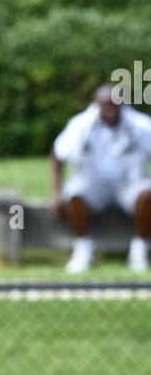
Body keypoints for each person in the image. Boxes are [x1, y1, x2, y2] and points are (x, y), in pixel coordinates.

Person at [52, 84, 151, 273]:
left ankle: (139, 250)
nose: (110, 109)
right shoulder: (81, 124)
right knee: (75, 193)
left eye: (115, 104)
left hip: (130, 183)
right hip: (93, 183)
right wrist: (56, 191)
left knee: (147, 193)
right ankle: (83, 249)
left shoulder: (141, 124)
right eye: (105, 105)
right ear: (97, 104)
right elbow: (57, 153)